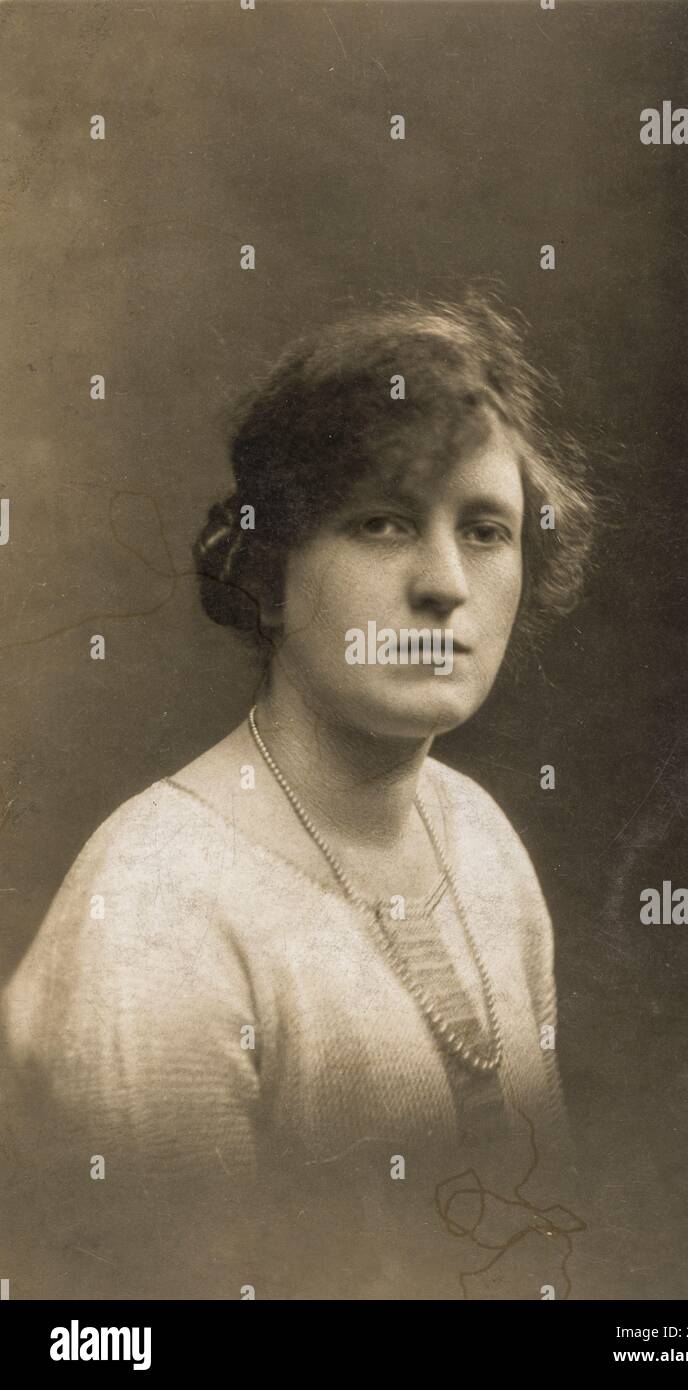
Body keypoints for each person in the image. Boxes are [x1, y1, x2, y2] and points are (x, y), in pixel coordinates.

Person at [0, 292, 595, 1299]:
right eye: (383, 521)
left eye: (486, 529)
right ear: (269, 575)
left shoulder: (484, 842)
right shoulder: (152, 912)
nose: (446, 582)